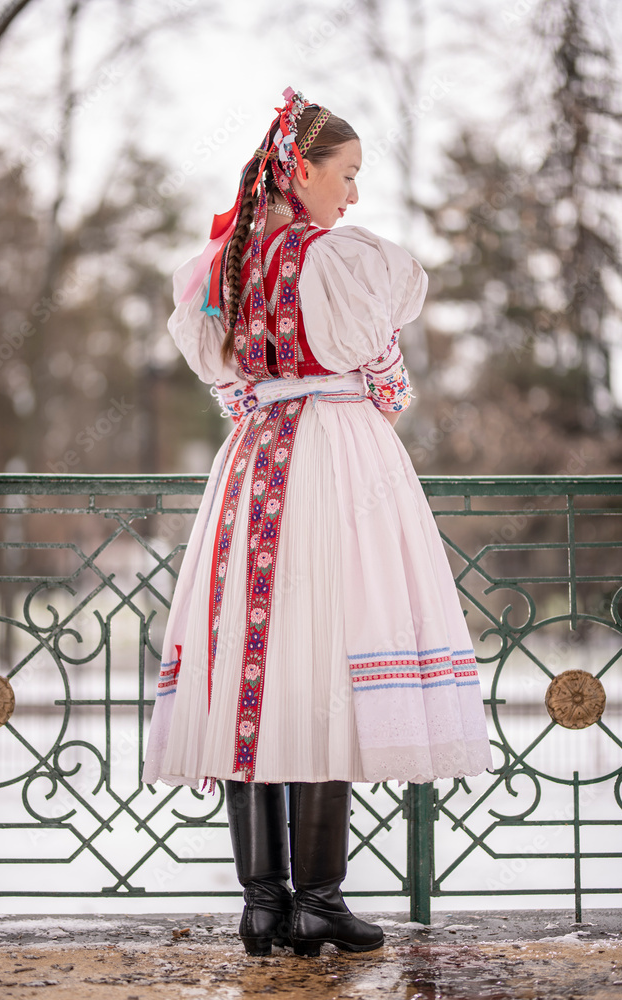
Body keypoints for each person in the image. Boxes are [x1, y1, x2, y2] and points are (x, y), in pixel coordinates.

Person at [142, 87, 494, 958]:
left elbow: (228, 388)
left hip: (252, 465)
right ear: (300, 170)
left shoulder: (221, 266)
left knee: (252, 669)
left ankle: (263, 904)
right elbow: (388, 380)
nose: (354, 193)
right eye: (346, 173)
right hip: (335, 461)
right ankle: (319, 900)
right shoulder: (336, 259)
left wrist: (274, 392)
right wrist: (359, 384)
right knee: (329, 656)